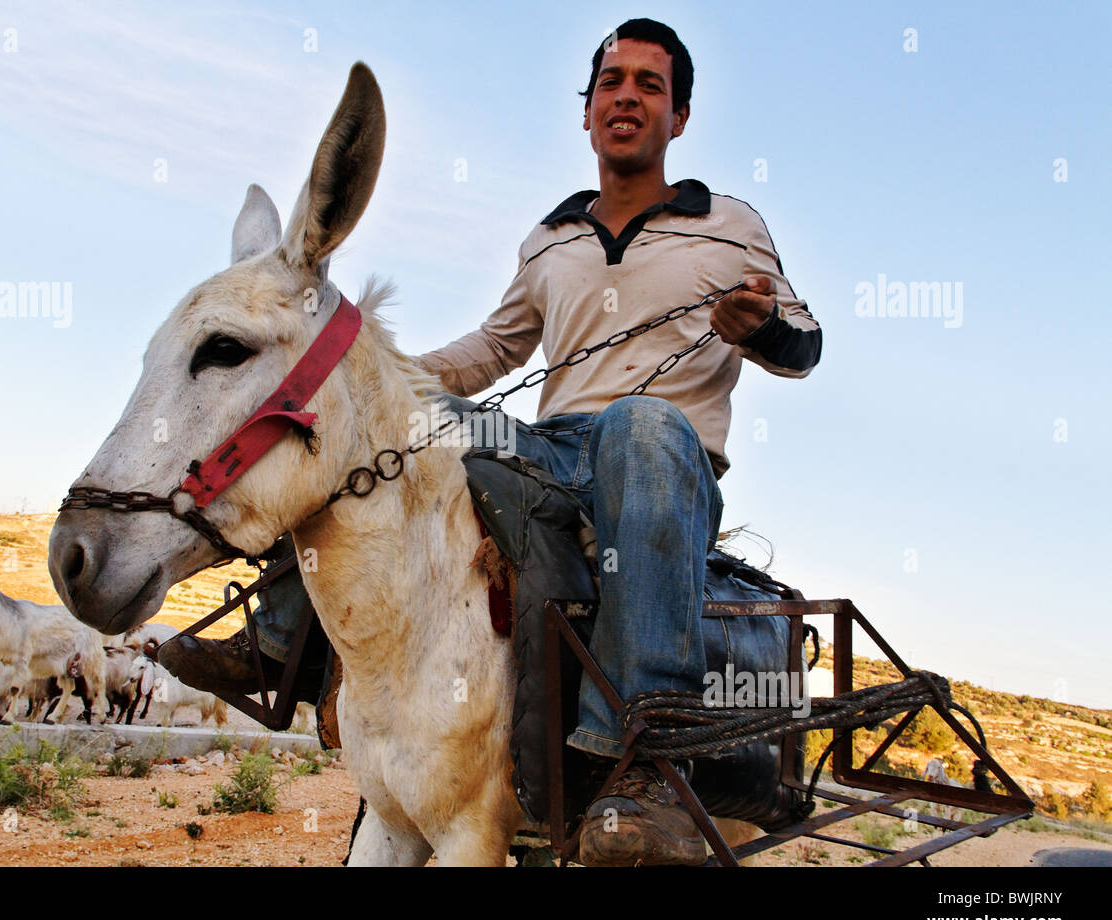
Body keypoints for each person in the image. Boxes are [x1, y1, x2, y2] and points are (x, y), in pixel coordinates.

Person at [163, 18, 821, 866]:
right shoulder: (549, 239)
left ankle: (646, 757)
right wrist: (375, 382)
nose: (627, 96)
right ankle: (280, 636)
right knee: (366, 431)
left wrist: (762, 323)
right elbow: (496, 348)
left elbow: (804, 341)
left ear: (680, 117)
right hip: (552, 448)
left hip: (663, 459)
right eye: (611, 82)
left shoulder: (730, 223)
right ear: (587, 112)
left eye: (649, 85)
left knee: (642, 423)